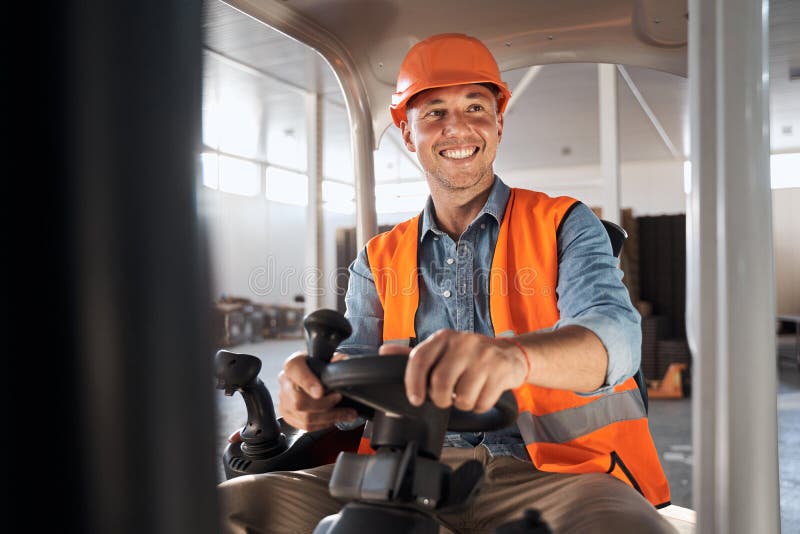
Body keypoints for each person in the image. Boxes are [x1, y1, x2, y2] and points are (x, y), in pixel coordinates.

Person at [219, 33, 676, 533]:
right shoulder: (378, 258)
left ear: (499, 123)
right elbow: (352, 369)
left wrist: (511, 358)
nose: (457, 127)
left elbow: (615, 335)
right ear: (407, 132)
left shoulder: (565, 222)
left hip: (557, 475)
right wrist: (312, 392)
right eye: (435, 112)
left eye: (475, 107)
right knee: (224, 507)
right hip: (402, 471)